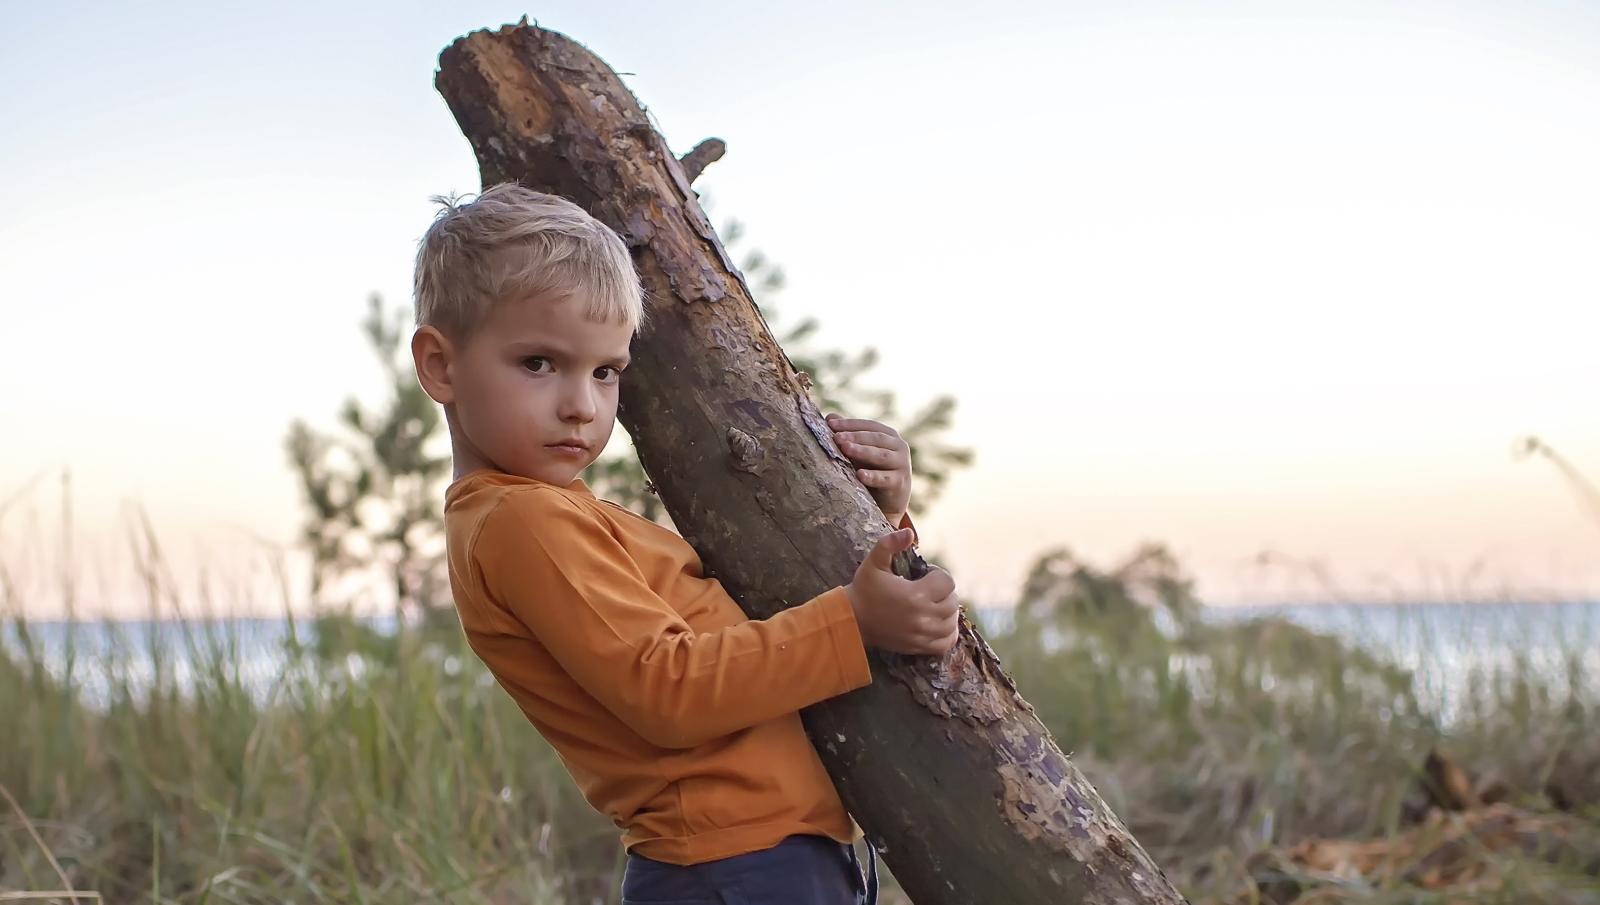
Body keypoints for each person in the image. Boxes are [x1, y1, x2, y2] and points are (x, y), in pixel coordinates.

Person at [410, 182, 962, 905]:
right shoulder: (522, 524)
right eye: (540, 362)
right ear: (441, 366)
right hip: (734, 867)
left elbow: (743, 625)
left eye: (605, 371)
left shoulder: (563, 517)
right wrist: (858, 620)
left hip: (765, 856)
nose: (582, 403)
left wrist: (874, 519)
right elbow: (668, 688)